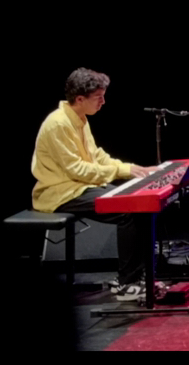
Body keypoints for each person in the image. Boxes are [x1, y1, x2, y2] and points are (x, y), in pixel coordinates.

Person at [32, 68, 157, 299]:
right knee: (127, 211)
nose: (103, 102)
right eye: (99, 97)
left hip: (78, 186)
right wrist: (122, 171)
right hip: (61, 193)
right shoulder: (58, 124)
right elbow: (77, 169)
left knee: (138, 205)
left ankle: (139, 277)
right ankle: (127, 284)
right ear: (80, 99)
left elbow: (96, 156)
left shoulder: (78, 118)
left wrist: (131, 169)